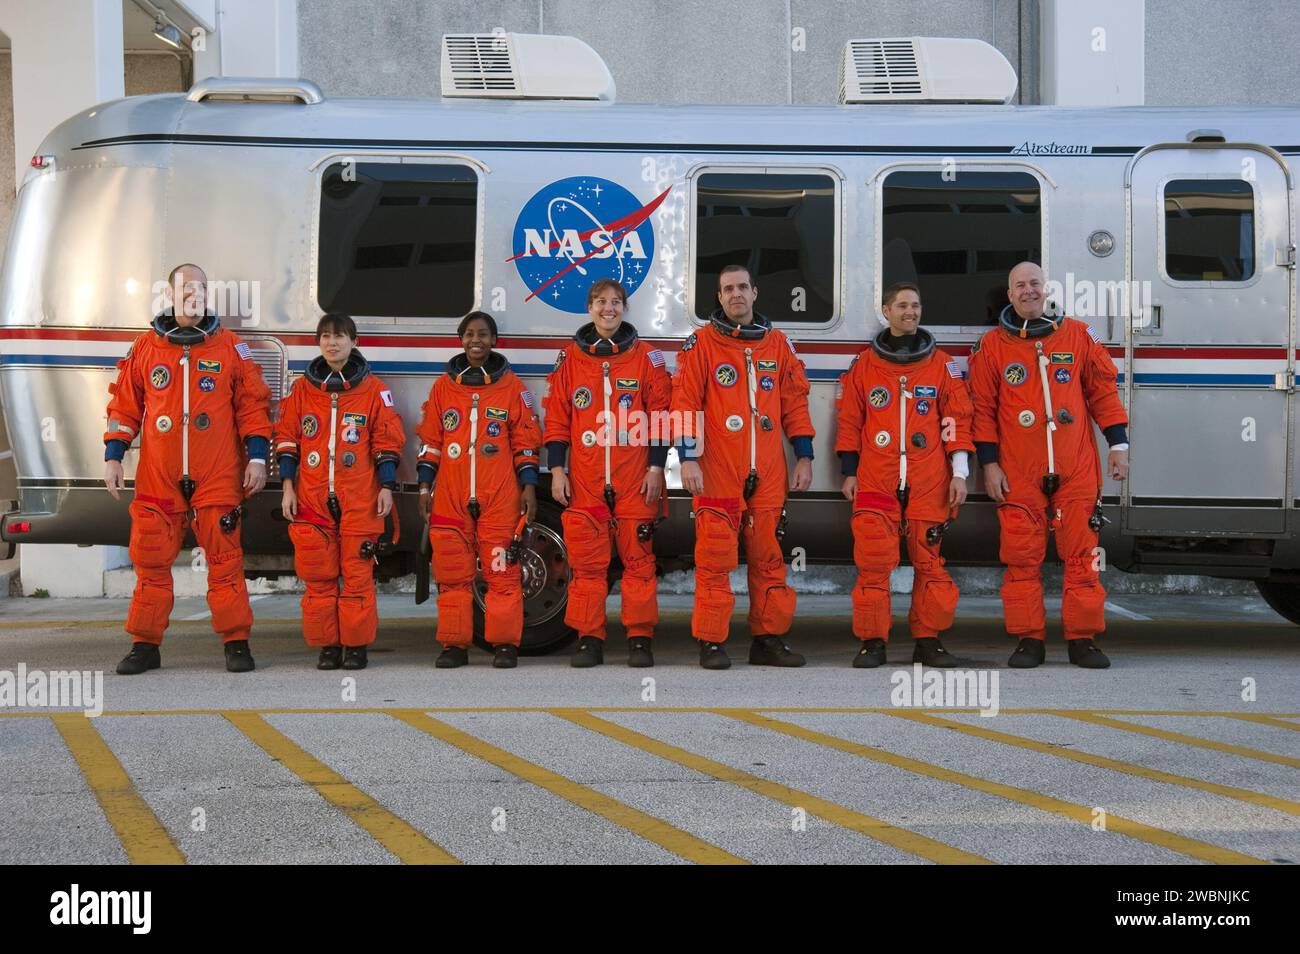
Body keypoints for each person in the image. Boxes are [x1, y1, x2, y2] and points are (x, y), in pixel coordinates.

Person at [103, 264, 271, 674]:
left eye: (199, 290)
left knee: (225, 559)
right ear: (171, 294)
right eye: (186, 289)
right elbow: (125, 407)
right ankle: (145, 645)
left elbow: (252, 406)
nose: (193, 296)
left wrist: (257, 457)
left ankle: (236, 642)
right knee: (151, 560)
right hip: (159, 473)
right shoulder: (145, 348)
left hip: (217, 472)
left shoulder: (230, 347)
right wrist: (113, 455)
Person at [968, 261, 1130, 669]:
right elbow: (982, 411)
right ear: (1009, 295)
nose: (1028, 291)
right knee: (1022, 558)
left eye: (1034, 283)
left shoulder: (1077, 336)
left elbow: (1103, 394)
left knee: (1083, 555)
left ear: (1046, 288)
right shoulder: (992, 347)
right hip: (1017, 470)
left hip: (1075, 466)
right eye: (1019, 285)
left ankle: (1082, 639)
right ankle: (1029, 640)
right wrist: (989, 464)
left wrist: (1119, 444)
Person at [671, 264, 814, 670]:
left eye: (742, 287)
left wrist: (804, 455)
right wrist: (688, 457)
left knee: (768, 558)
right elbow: (684, 404)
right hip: (717, 467)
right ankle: (712, 642)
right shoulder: (701, 344)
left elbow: (795, 403)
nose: (736, 294)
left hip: (768, 470)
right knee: (715, 558)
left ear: (755, 293)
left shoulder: (779, 345)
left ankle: (767, 640)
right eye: (727, 289)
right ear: (719, 298)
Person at [837, 283, 975, 668]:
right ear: (886, 311)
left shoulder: (942, 365)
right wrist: (849, 473)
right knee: (874, 564)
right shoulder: (864, 365)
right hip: (876, 479)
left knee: (930, 565)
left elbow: (956, 421)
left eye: (915, 305)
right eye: (902, 305)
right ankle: (872, 642)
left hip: (928, 479)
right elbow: (850, 422)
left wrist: (959, 472)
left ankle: (928, 642)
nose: (910, 312)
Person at [544, 279, 671, 668]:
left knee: (638, 564)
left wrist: (655, 468)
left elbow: (662, 418)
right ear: (589, 307)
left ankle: (639, 638)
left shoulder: (648, 359)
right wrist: (557, 470)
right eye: (601, 302)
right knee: (587, 566)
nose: (608, 309)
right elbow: (557, 420)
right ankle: (589, 639)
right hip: (585, 480)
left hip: (635, 478)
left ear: (625, 307)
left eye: (615, 302)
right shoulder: (570, 360)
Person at [276, 314, 405, 670]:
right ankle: (328, 646)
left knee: (358, 575)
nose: (332, 343)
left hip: (360, 494)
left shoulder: (374, 390)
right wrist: (288, 487)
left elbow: (387, 442)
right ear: (319, 343)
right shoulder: (303, 390)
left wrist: (387, 487)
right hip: (313, 495)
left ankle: (357, 646)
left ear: (354, 340)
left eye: (340, 336)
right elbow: (288, 439)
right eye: (326, 337)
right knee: (318, 576)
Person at [415, 312, 541, 669]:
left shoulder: (512, 388)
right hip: (451, 495)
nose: (476, 340)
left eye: (483, 334)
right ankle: (455, 645)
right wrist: (425, 488)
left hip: (499, 494)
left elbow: (525, 443)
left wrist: (528, 488)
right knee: (452, 574)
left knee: (502, 573)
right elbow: (431, 442)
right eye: (470, 334)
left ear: (494, 340)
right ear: (460, 339)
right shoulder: (443, 388)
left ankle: (504, 645)